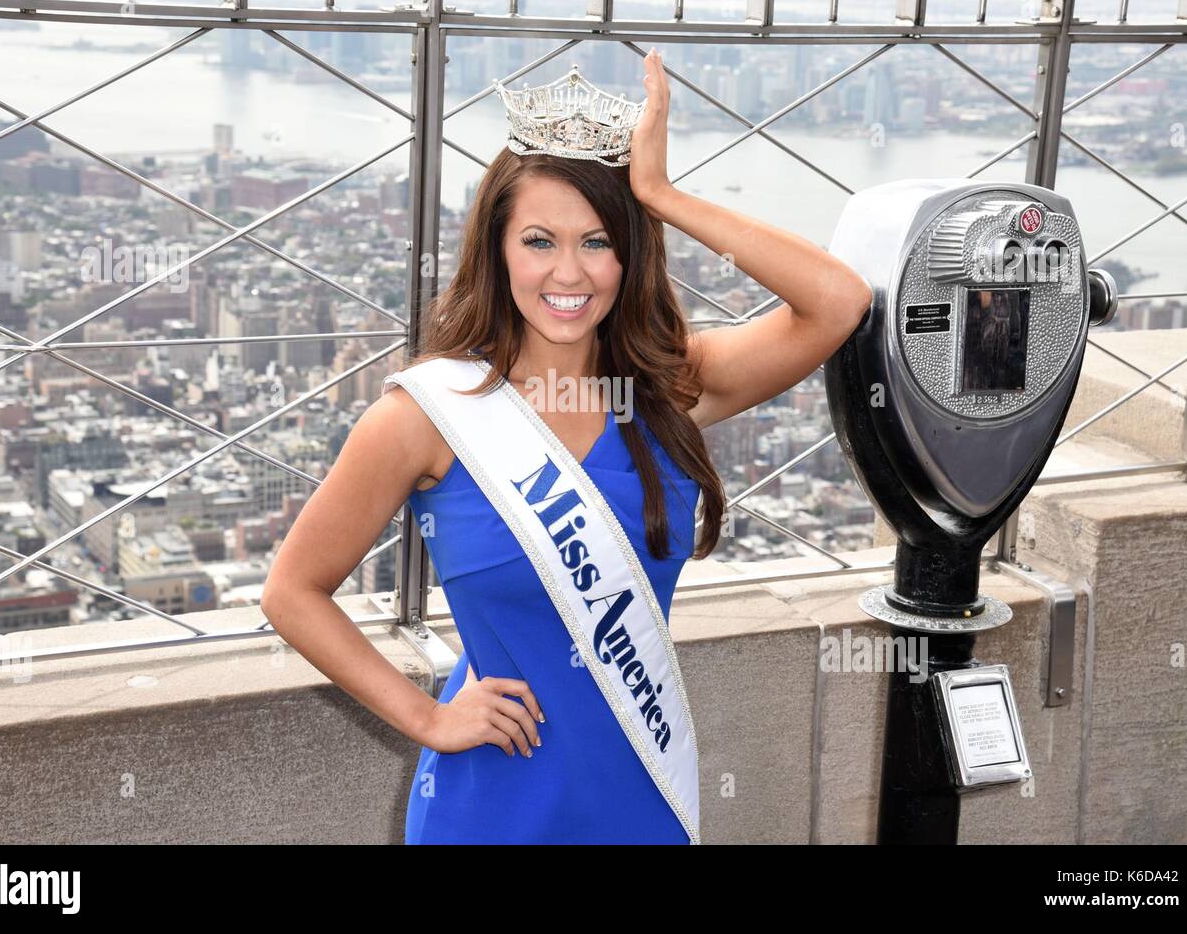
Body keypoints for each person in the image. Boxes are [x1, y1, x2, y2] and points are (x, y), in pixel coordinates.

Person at [260, 47, 872, 844]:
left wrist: (658, 194)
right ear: (498, 248)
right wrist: (427, 715)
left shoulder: (667, 388)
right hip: (492, 800)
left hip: (638, 796)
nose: (569, 272)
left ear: (629, 252)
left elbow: (838, 301)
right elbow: (292, 590)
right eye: (540, 240)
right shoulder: (429, 415)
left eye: (597, 241)